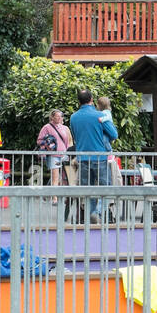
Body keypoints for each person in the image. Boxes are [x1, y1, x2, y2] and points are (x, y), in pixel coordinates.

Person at [69, 89, 117, 223]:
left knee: (88, 190)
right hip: (99, 157)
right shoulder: (99, 115)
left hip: (82, 158)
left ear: (79, 101)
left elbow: (75, 136)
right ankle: (98, 212)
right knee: (104, 187)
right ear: (91, 99)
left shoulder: (73, 117)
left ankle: (90, 218)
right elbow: (114, 134)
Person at [37, 109, 72, 203]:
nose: (60, 118)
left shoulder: (65, 128)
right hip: (54, 155)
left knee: (65, 176)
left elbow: (68, 142)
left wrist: (69, 153)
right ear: (52, 117)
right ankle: (55, 198)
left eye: (61, 116)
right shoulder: (47, 127)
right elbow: (39, 140)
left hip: (64, 155)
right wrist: (48, 145)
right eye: (57, 116)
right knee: (55, 177)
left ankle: (47, 193)